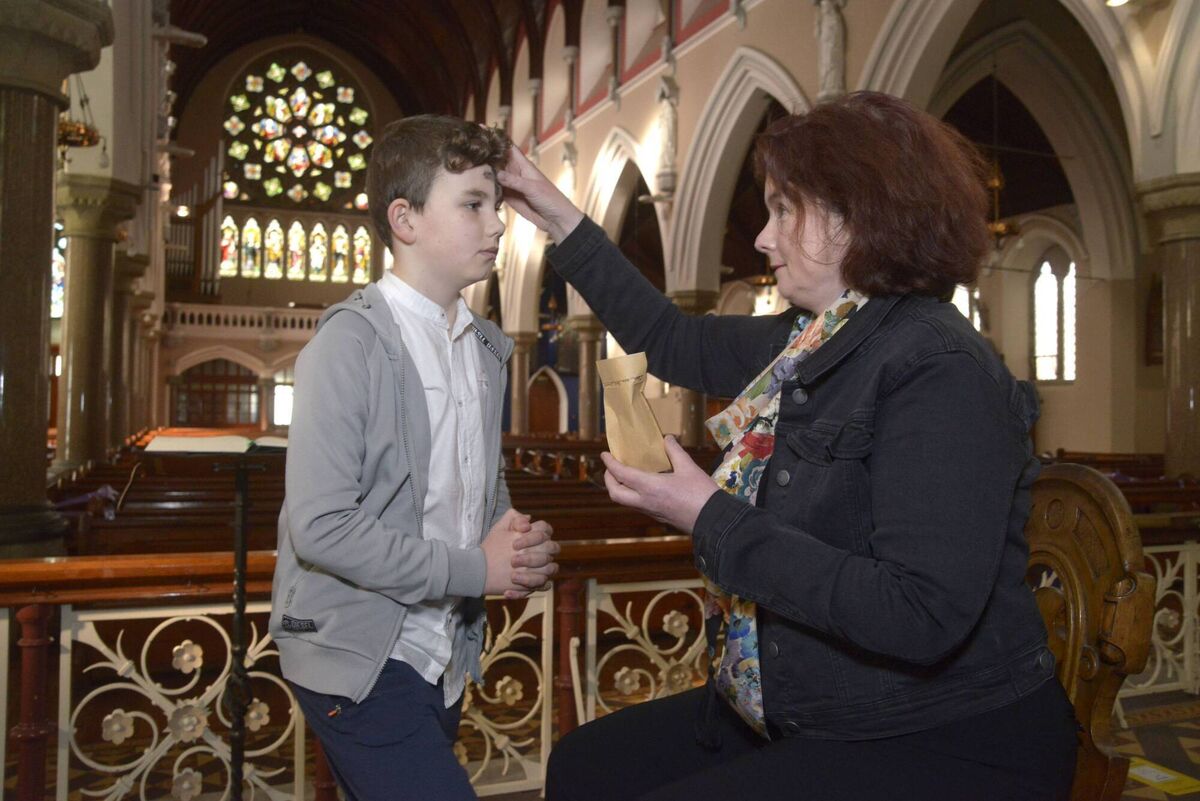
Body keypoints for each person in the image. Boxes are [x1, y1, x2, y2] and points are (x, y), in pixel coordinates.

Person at [498, 91, 1078, 800]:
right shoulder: (817, 337)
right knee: (587, 763)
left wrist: (709, 515)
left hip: (945, 733)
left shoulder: (939, 367)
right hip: (818, 696)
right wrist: (553, 211)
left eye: (782, 209)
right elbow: (672, 337)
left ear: (856, 216)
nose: (762, 239)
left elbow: (920, 613)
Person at [269, 115, 560, 801]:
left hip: (443, 650)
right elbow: (323, 526)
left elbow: (478, 483)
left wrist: (515, 539)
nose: (498, 225)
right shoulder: (351, 344)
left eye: (497, 204)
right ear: (405, 218)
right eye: (473, 204)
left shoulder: (486, 348)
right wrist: (474, 566)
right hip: (358, 652)